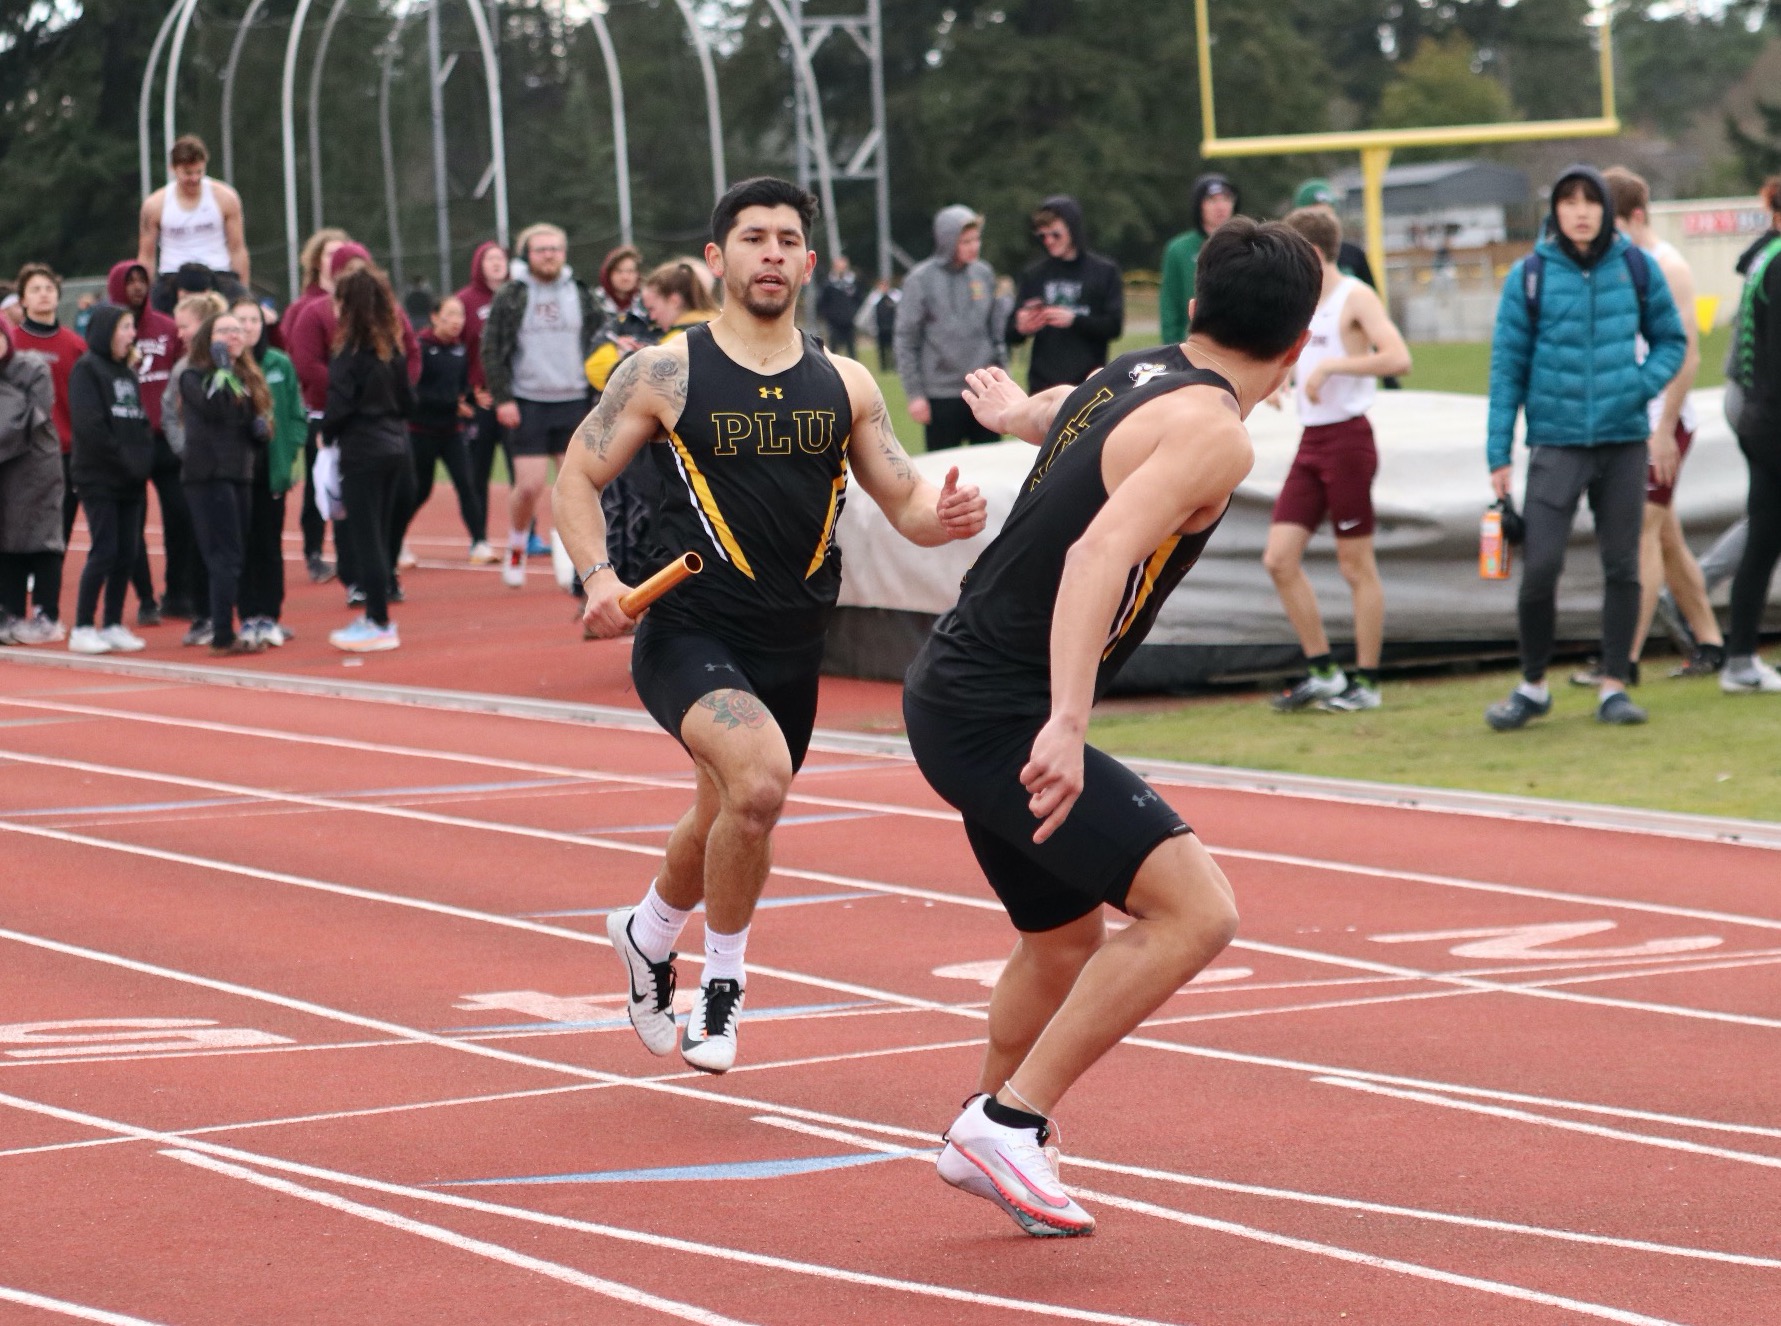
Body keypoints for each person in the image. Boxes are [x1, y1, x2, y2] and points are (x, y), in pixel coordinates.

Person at [901, 218, 1320, 1238]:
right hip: (1001, 706)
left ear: (1189, 310)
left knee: (1060, 940)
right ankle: (1008, 1122)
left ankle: (991, 1134)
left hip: (951, 684)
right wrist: (1064, 725)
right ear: (1299, 345)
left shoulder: (1133, 372)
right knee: (1196, 913)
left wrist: (1009, 414)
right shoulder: (1216, 432)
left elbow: (1063, 413)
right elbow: (1095, 556)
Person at [556, 177, 987, 1075]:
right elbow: (574, 479)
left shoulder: (846, 382)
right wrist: (598, 576)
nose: (772, 254)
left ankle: (645, 932)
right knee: (757, 785)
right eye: (754, 238)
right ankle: (724, 987)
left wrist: (938, 518)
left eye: (788, 240)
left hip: (795, 643)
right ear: (717, 258)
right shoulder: (664, 370)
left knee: (727, 808)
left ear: (809, 262)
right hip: (688, 633)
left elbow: (902, 498)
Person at [1483, 165, 1685, 730]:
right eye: (1568, 200)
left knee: (1622, 566)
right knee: (1540, 567)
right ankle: (1532, 685)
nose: (1580, 210)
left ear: (1604, 208)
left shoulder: (1637, 268)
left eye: (1590, 200)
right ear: (1555, 210)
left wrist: (1638, 387)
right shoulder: (1528, 276)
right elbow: (1506, 371)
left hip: (1623, 443)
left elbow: (1672, 339)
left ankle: (1614, 685)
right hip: (1555, 443)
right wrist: (1498, 454)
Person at [1264, 208, 1412, 713]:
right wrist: (1275, 383)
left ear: (1311, 253)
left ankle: (1366, 681)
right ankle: (1324, 669)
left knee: (1355, 564)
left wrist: (1334, 366)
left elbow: (1398, 357)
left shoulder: (1355, 296)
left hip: (1348, 439)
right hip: (1311, 441)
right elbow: (1288, 358)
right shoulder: (1302, 303)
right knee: (1279, 559)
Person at [1583, 167, 1725, 684]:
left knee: (1639, 531)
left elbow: (1687, 355)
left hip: (1661, 422)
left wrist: (1663, 428)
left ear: (1634, 218)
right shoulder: (1620, 265)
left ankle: (1625, 659)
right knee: (1665, 538)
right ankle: (1710, 641)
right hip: (1628, 422)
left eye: (1611, 224)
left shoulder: (1669, 267)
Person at [287, 241, 421, 606]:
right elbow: (306, 362)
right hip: (336, 422)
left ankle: (381, 577)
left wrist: (386, 394)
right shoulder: (315, 314)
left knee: (401, 496)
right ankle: (358, 579)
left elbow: (410, 355)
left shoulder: (388, 319)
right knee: (344, 508)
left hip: (382, 425)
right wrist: (354, 396)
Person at [582, 260, 719, 588]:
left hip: (677, 455)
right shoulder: (722, 326)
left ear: (674, 300)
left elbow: (607, 375)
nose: (650, 316)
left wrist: (629, 357)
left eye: (653, 306)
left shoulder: (674, 344)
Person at [481, 223, 603, 588]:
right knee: (530, 486)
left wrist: (599, 396)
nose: (549, 255)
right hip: (528, 401)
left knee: (577, 487)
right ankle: (517, 542)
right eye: (541, 249)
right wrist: (502, 398)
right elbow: (491, 349)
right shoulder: (511, 295)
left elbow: (601, 340)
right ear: (527, 255)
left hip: (575, 400)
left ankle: (576, 560)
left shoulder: (580, 293)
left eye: (555, 249)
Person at [323, 267, 415, 653]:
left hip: (362, 450)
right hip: (396, 446)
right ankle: (377, 615)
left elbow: (339, 407)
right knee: (379, 533)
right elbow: (409, 402)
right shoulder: (392, 350)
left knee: (367, 539)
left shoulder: (349, 354)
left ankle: (378, 620)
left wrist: (326, 434)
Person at [178, 308, 271, 656]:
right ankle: (220, 633)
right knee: (224, 555)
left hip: (239, 472)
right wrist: (223, 370)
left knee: (235, 553)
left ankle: (226, 627)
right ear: (208, 338)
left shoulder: (247, 376)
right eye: (223, 331)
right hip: (209, 475)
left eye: (237, 330)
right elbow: (215, 410)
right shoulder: (193, 376)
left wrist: (261, 430)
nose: (234, 335)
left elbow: (253, 420)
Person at [1720, 175, 1781, 694]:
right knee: (1761, 542)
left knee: (1762, 542)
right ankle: (1738, 659)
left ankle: (1739, 659)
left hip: (1758, 420)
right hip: (1773, 422)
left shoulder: (1766, 256)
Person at [106, 260, 193, 627]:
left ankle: (178, 591)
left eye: (143, 281)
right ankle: (144, 597)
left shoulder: (167, 327)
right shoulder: (109, 331)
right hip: (129, 442)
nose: (138, 287)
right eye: (130, 282)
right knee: (132, 524)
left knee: (182, 515)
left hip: (164, 440)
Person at [66, 303, 154, 655]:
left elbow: (140, 421)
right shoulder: (87, 370)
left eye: (133, 327)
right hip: (98, 476)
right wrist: (125, 461)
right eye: (125, 327)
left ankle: (114, 622)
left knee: (128, 552)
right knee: (105, 549)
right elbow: (91, 427)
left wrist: (142, 459)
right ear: (106, 331)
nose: (132, 334)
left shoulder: (127, 373)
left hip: (131, 478)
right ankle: (84, 625)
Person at [9, 263, 88, 642]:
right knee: (14, 533)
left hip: (64, 451)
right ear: (22, 299)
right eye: (35, 289)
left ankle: (44, 607)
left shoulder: (74, 344)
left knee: (54, 533)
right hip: (17, 454)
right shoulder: (12, 345)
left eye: (49, 288)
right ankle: (16, 602)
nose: (43, 294)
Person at [894, 205, 1006, 452]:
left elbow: (996, 333)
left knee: (989, 469)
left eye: (976, 239)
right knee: (947, 474)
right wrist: (915, 395)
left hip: (983, 390)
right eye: (966, 241)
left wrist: (1002, 379)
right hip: (941, 394)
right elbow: (906, 340)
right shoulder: (919, 280)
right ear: (947, 240)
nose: (974, 246)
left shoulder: (984, 274)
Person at [233, 295, 305, 648]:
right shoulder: (225, 368)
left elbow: (295, 414)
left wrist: (289, 451)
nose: (248, 327)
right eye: (241, 321)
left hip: (272, 471)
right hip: (237, 473)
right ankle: (247, 616)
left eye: (254, 321)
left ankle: (270, 615)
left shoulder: (280, 364)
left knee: (269, 544)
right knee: (242, 544)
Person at [161, 292, 227, 645]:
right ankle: (204, 615)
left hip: (232, 469)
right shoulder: (183, 369)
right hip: (199, 471)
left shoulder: (230, 361)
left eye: (184, 326)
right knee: (202, 545)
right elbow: (170, 413)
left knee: (228, 546)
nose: (179, 334)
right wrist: (186, 450)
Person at [1007, 196, 1124, 393]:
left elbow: (1114, 326)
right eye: (1042, 236)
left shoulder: (1104, 271)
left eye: (1055, 234)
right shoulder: (1034, 274)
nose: (1049, 241)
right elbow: (1010, 334)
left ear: (1072, 229)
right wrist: (1022, 327)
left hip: (1089, 384)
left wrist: (1074, 320)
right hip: (1043, 385)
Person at [287, 227, 352, 583]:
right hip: (320, 410)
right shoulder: (303, 307)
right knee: (318, 483)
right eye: (328, 253)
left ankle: (351, 556)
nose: (336, 259)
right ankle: (314, 552)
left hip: (357, 413)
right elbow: (301, 360)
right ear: (316, 261)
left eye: (341, 252)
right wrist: (346, 387)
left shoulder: (361, 300)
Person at [397, 294, 483, 562]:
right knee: (419, 490)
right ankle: (395, 541)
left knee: (467, 484)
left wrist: (470, 398)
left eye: (461, 315)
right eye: (451, 314)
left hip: (452, 432)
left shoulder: (460, 351)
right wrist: (451, 405)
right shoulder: (420, 347)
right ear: (435, 317)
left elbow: (458, 390)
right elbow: (416, 393)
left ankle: (479, 543)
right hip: (420, 431)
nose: (458, 321)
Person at [0, 321, 64, 645]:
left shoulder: (33, 367)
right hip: (6, 468)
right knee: (8, 542)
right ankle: (9, 612)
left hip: (37, 465)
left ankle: (46, 613)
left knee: (42, 540)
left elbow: (31, 416)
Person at [138, 135, 250, 314]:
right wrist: (144, 299)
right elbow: (146, 256)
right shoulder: (154, 205)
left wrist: (243, 293)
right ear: (173, 169)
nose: (194, 179)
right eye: (188, 173)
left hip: (217, 273)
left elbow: (237, 249)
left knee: (248, 314)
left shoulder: (226, 198)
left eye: (199, 172)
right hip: (172, 275)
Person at [457, 241, 509, 565]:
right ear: (478, 264)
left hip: (514, 400)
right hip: (482, 403)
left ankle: (527, 535)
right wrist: (465, 393)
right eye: (489, 259)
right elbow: (456, 349)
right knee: (477, 472)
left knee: (524, 473)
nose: (496, 264)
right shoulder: (464, 301)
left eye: (500, 258)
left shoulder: (516, 296)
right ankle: (479, 539)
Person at [1158, 173, 1238, 346]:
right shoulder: (1178, 249)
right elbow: (1169, 304)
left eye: (1226, 199)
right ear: (1198, 205)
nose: (1220, 206)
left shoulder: (1245, 245)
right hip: (1190, 342)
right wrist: (1172, 345)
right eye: (1212, 200)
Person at [1291, 180, 1377, 289]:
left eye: (1327, 215)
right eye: (1314, 217)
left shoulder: (1354, 254)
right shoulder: (1290, 256)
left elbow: (1371, 295)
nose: (1321, 224)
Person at [594, 245, 651, 361]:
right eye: (619, 271)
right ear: (608, 274)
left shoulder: (648, 304)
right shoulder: (593, 303)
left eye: (630, 271)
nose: (625, 277)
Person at [816, 253, 862, 357]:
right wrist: (829, 316)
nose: (841, 269)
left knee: (851, 349)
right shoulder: (828, 284)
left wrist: (853, 313)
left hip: (849, 321)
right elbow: (822, 302)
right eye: (839, 266)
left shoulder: (852, 283)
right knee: (834, 348)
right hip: (834, 322)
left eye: (844, 267)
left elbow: (858, 300)